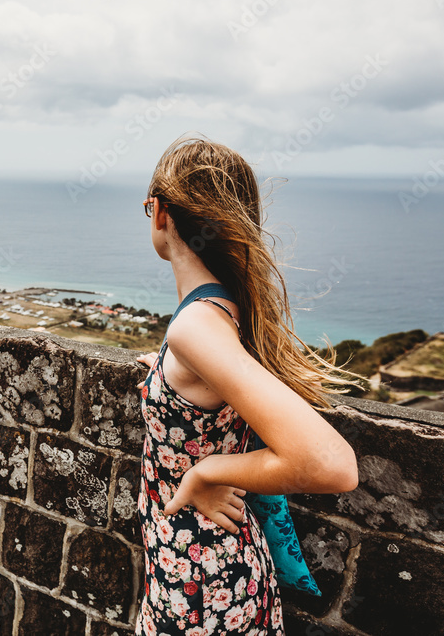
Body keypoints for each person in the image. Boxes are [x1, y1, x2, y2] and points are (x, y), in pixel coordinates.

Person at [133, 135, 363, 635]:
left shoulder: (196, 327)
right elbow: (217, 394)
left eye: (147, 205)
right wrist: (163, 376)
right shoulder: (227, 311)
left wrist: (206, 472)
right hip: (218, 571)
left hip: (199, 581)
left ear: (161, 213)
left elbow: (332, 465)